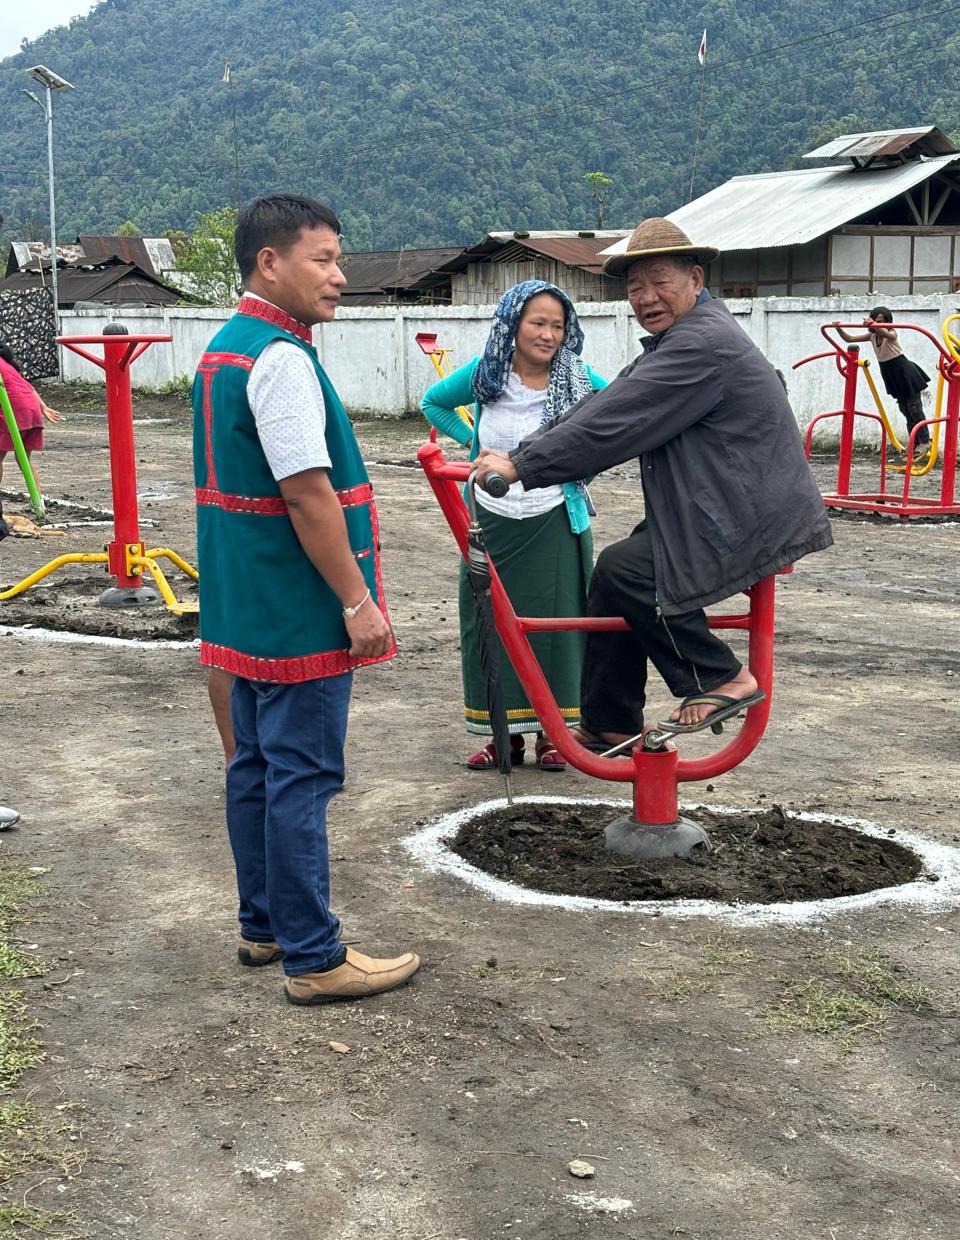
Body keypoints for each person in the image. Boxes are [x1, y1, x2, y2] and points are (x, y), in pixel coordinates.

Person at [472, 218, 833, 750]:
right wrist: (518, 454)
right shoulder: (675, 342)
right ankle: (609, 720)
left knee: (632, 571)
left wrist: (523, 468)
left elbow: (614, 425)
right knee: (615, 574)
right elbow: (602, 404)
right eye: (635, 286)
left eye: (660, 281)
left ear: (694, 277)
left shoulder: (700, 344)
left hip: (747, 514)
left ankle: (720, 677)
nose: (646, 297)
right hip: (716, 503)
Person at [193, 193, 419, 1004]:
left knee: (254, 764)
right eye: (322, 259)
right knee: (302, 774)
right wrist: (358, 602)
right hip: (295, 609)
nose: (340, 276)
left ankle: (265, 925)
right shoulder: (281, 358)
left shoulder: (226, 347)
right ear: (270, 262)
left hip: (242, 602)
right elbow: (307, 495)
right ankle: (315, 957)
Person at [421, 281, 606, 772]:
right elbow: (433, 402)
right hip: (488, 522)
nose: (547, 334)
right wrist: (474, 444)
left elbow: (620, 416)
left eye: (557, 325)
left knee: (559, 627)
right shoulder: (487, 376)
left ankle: (554, 734)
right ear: (513, 324)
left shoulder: (579, 379)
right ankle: (499, 733)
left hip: (553, 519)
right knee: (487, 624)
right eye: (537, 322)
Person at [839, 308, 931, 453]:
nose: (876, 324)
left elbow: (885, 333)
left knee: (915, 408)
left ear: (888, 322)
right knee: (905, 410)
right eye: (874, 320)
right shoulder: (872, 336)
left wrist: (873, 324)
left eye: (880, 321)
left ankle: (925, 441)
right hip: (891, 374)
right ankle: (914, 443)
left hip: (904, 372)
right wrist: (839, 328)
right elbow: (849, 339)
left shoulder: (892, 333)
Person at [0, 341, 62, 492]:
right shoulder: (8, 365)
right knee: (24, 460)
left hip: (16, 411)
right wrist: (44, 408)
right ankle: (38, 501)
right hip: (32, 410)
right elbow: (29, 387)